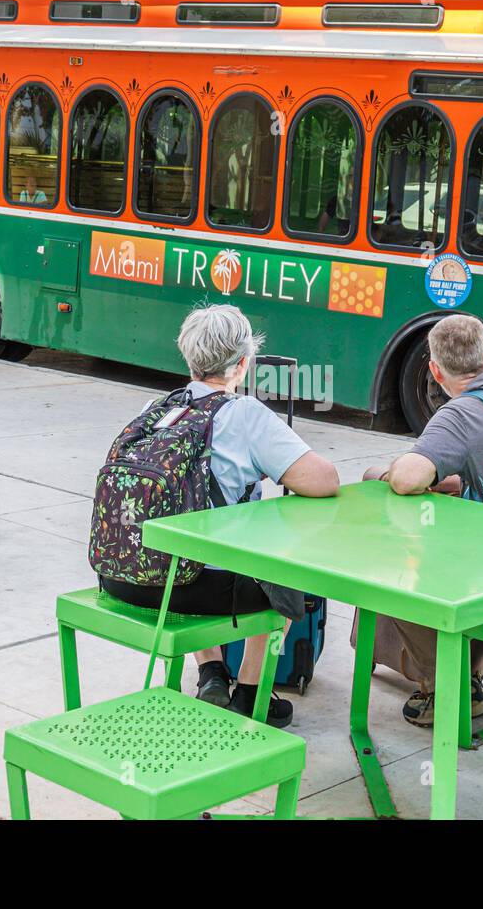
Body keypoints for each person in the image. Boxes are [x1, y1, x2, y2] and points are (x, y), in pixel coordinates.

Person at [95, 304, 339, 728]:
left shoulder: (157, 409)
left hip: (126, 580)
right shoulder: (244, 414)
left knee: (182, 544)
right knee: (278, 567)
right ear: (242, 364)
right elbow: (324, 481)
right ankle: (249, 693)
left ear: (188, 357)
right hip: (204, 592)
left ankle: (210, 672)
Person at [359, 314, 483, 726]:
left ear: (433, 369)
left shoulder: (459, 413)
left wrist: (383, 474)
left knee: (397, 568)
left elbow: (409, 479)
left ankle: (452, 686)